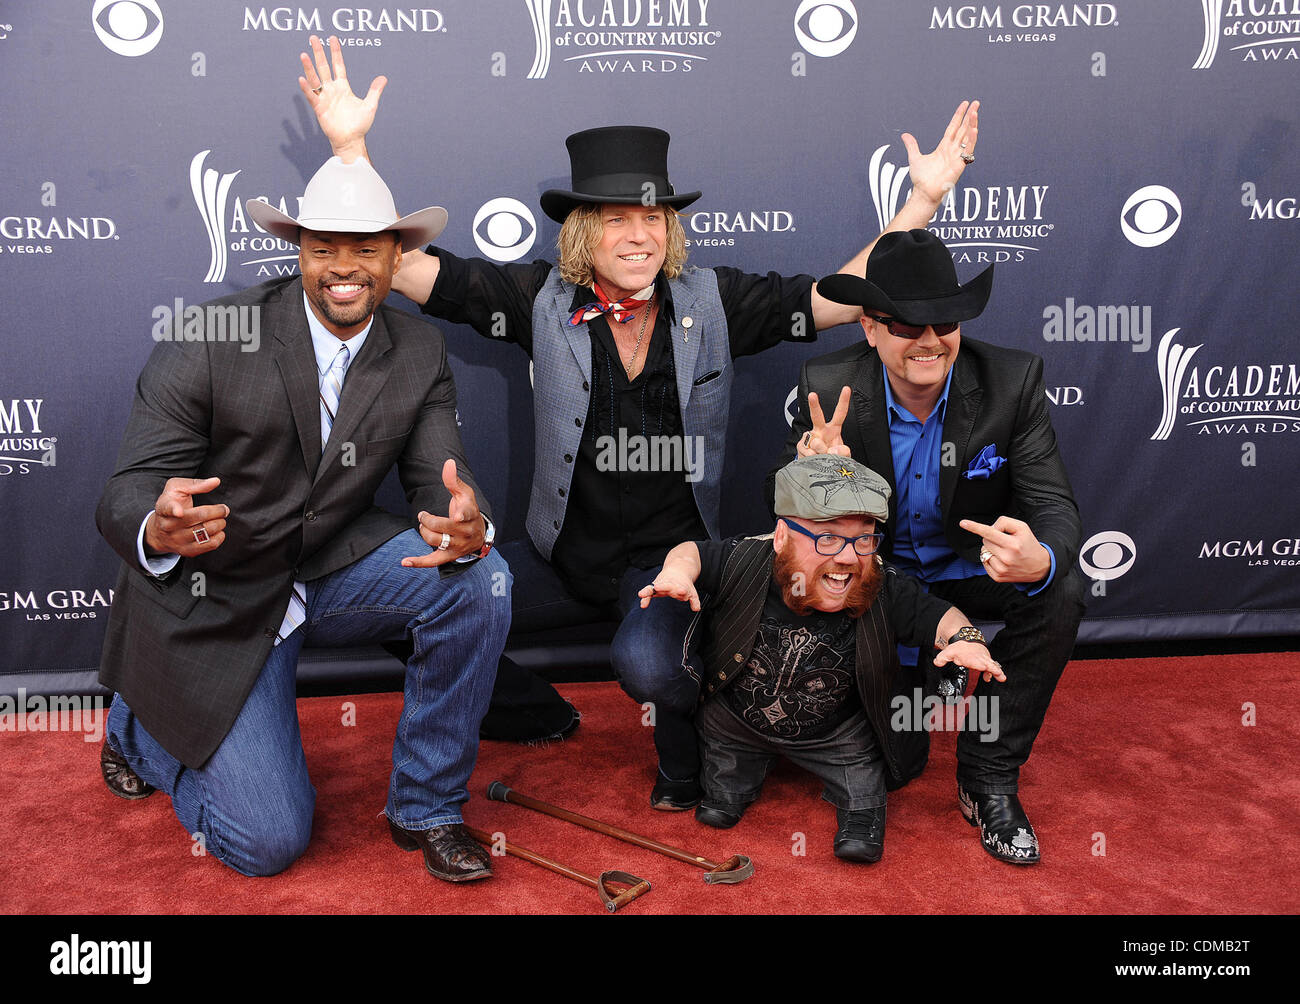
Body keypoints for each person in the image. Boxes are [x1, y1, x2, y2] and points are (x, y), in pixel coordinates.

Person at [295, 35, 981, 810]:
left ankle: (697, 750)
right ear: (583, 232)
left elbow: (840, 297)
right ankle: (532, 712)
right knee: (411, 596)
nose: (638, 234)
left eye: (652, 216)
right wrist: (351, 152)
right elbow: (401, 266)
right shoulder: (539, 300)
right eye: (615, 218)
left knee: (653, 669)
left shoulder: (714, 303)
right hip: (560, 558)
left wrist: (921, 202)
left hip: (665, 565)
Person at [96, 155, 510, 883]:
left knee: (481, 578)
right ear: (299, 252)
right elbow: (129, 486)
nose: (343, 268)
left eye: (365, 249)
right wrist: (158, 528)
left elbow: (438, 474)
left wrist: (463, 522)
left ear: (397, 257)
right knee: (266, 844)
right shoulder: (214, 333)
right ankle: (139, 727)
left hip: (327, 564)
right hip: (219, 588)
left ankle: (428, 807)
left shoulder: (419, 349)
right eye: (323, 249)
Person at [771, 229, 1087, 864]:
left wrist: (1042, 556)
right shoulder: (828, 384)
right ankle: (926, 669)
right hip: (882, 579)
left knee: (1062, 588)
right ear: (870, 328)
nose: (929, 340)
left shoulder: (1012, 380)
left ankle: (988, 774)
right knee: (898, 764)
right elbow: (784, 521)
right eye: (906, 325)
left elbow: (1052, 502)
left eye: (944, 322)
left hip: (970, 567)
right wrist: (818, 476)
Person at [639, 455, 1003, 862]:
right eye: (827, 538)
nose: (847, 557)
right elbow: (692, 551)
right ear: (781, 536)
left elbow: (940, 616)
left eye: (863, 539)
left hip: (839, 734)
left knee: (863, 814)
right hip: (735, 723)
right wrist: (677, 572)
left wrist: (967, 639)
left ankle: (860, 811)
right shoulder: (745, 559)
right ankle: (736, 782)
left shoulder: (883, 585)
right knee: (718, 805)